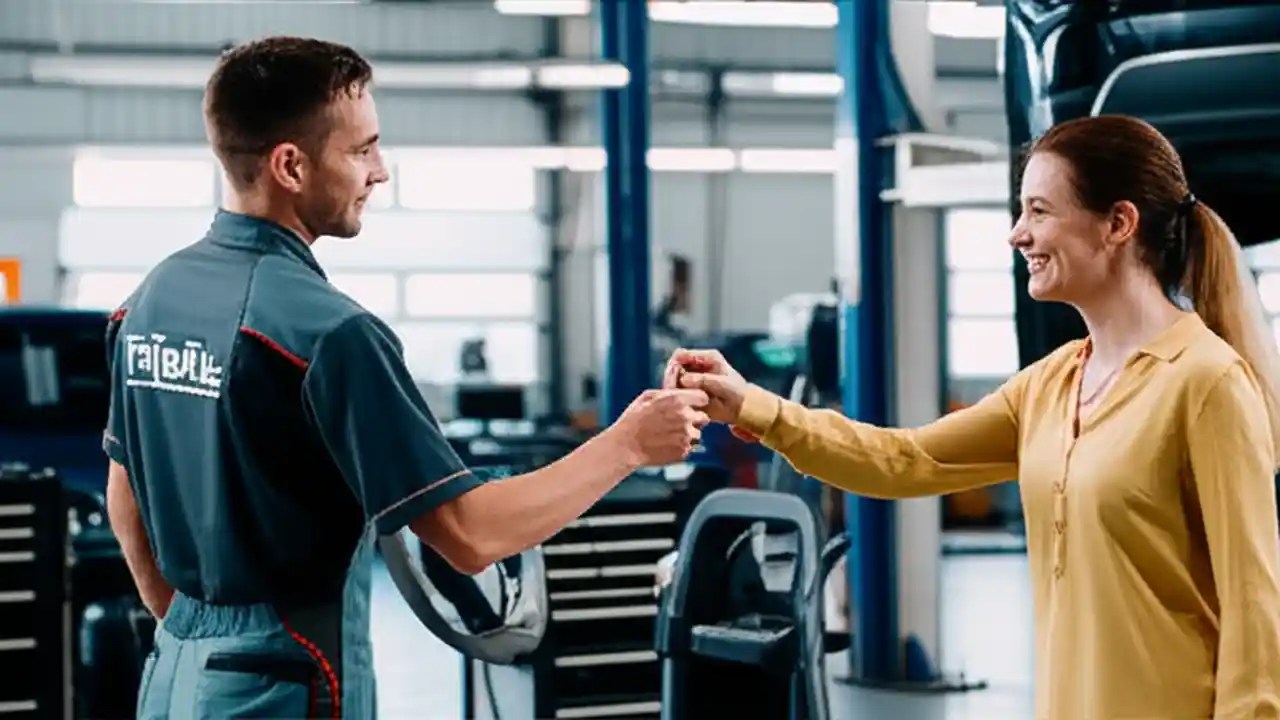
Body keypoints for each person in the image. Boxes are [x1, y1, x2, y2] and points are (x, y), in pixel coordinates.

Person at [103, 36, 709, 720]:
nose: (379, 171)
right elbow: (468, 534)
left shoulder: (150, 300)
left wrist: (199, 636)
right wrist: (629, 444)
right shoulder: (329, 334)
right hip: (283, 684)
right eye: (361, 149)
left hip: (174, 674)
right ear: (290, 165)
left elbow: (125, 505)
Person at [666, 114, 1280, 720]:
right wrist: (754, 406)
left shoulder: (1206, 382)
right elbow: (905, 460)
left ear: (1118, 223)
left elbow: (1256, 611)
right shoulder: (1053, 382)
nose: (1018, 234)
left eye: (1039, 211)